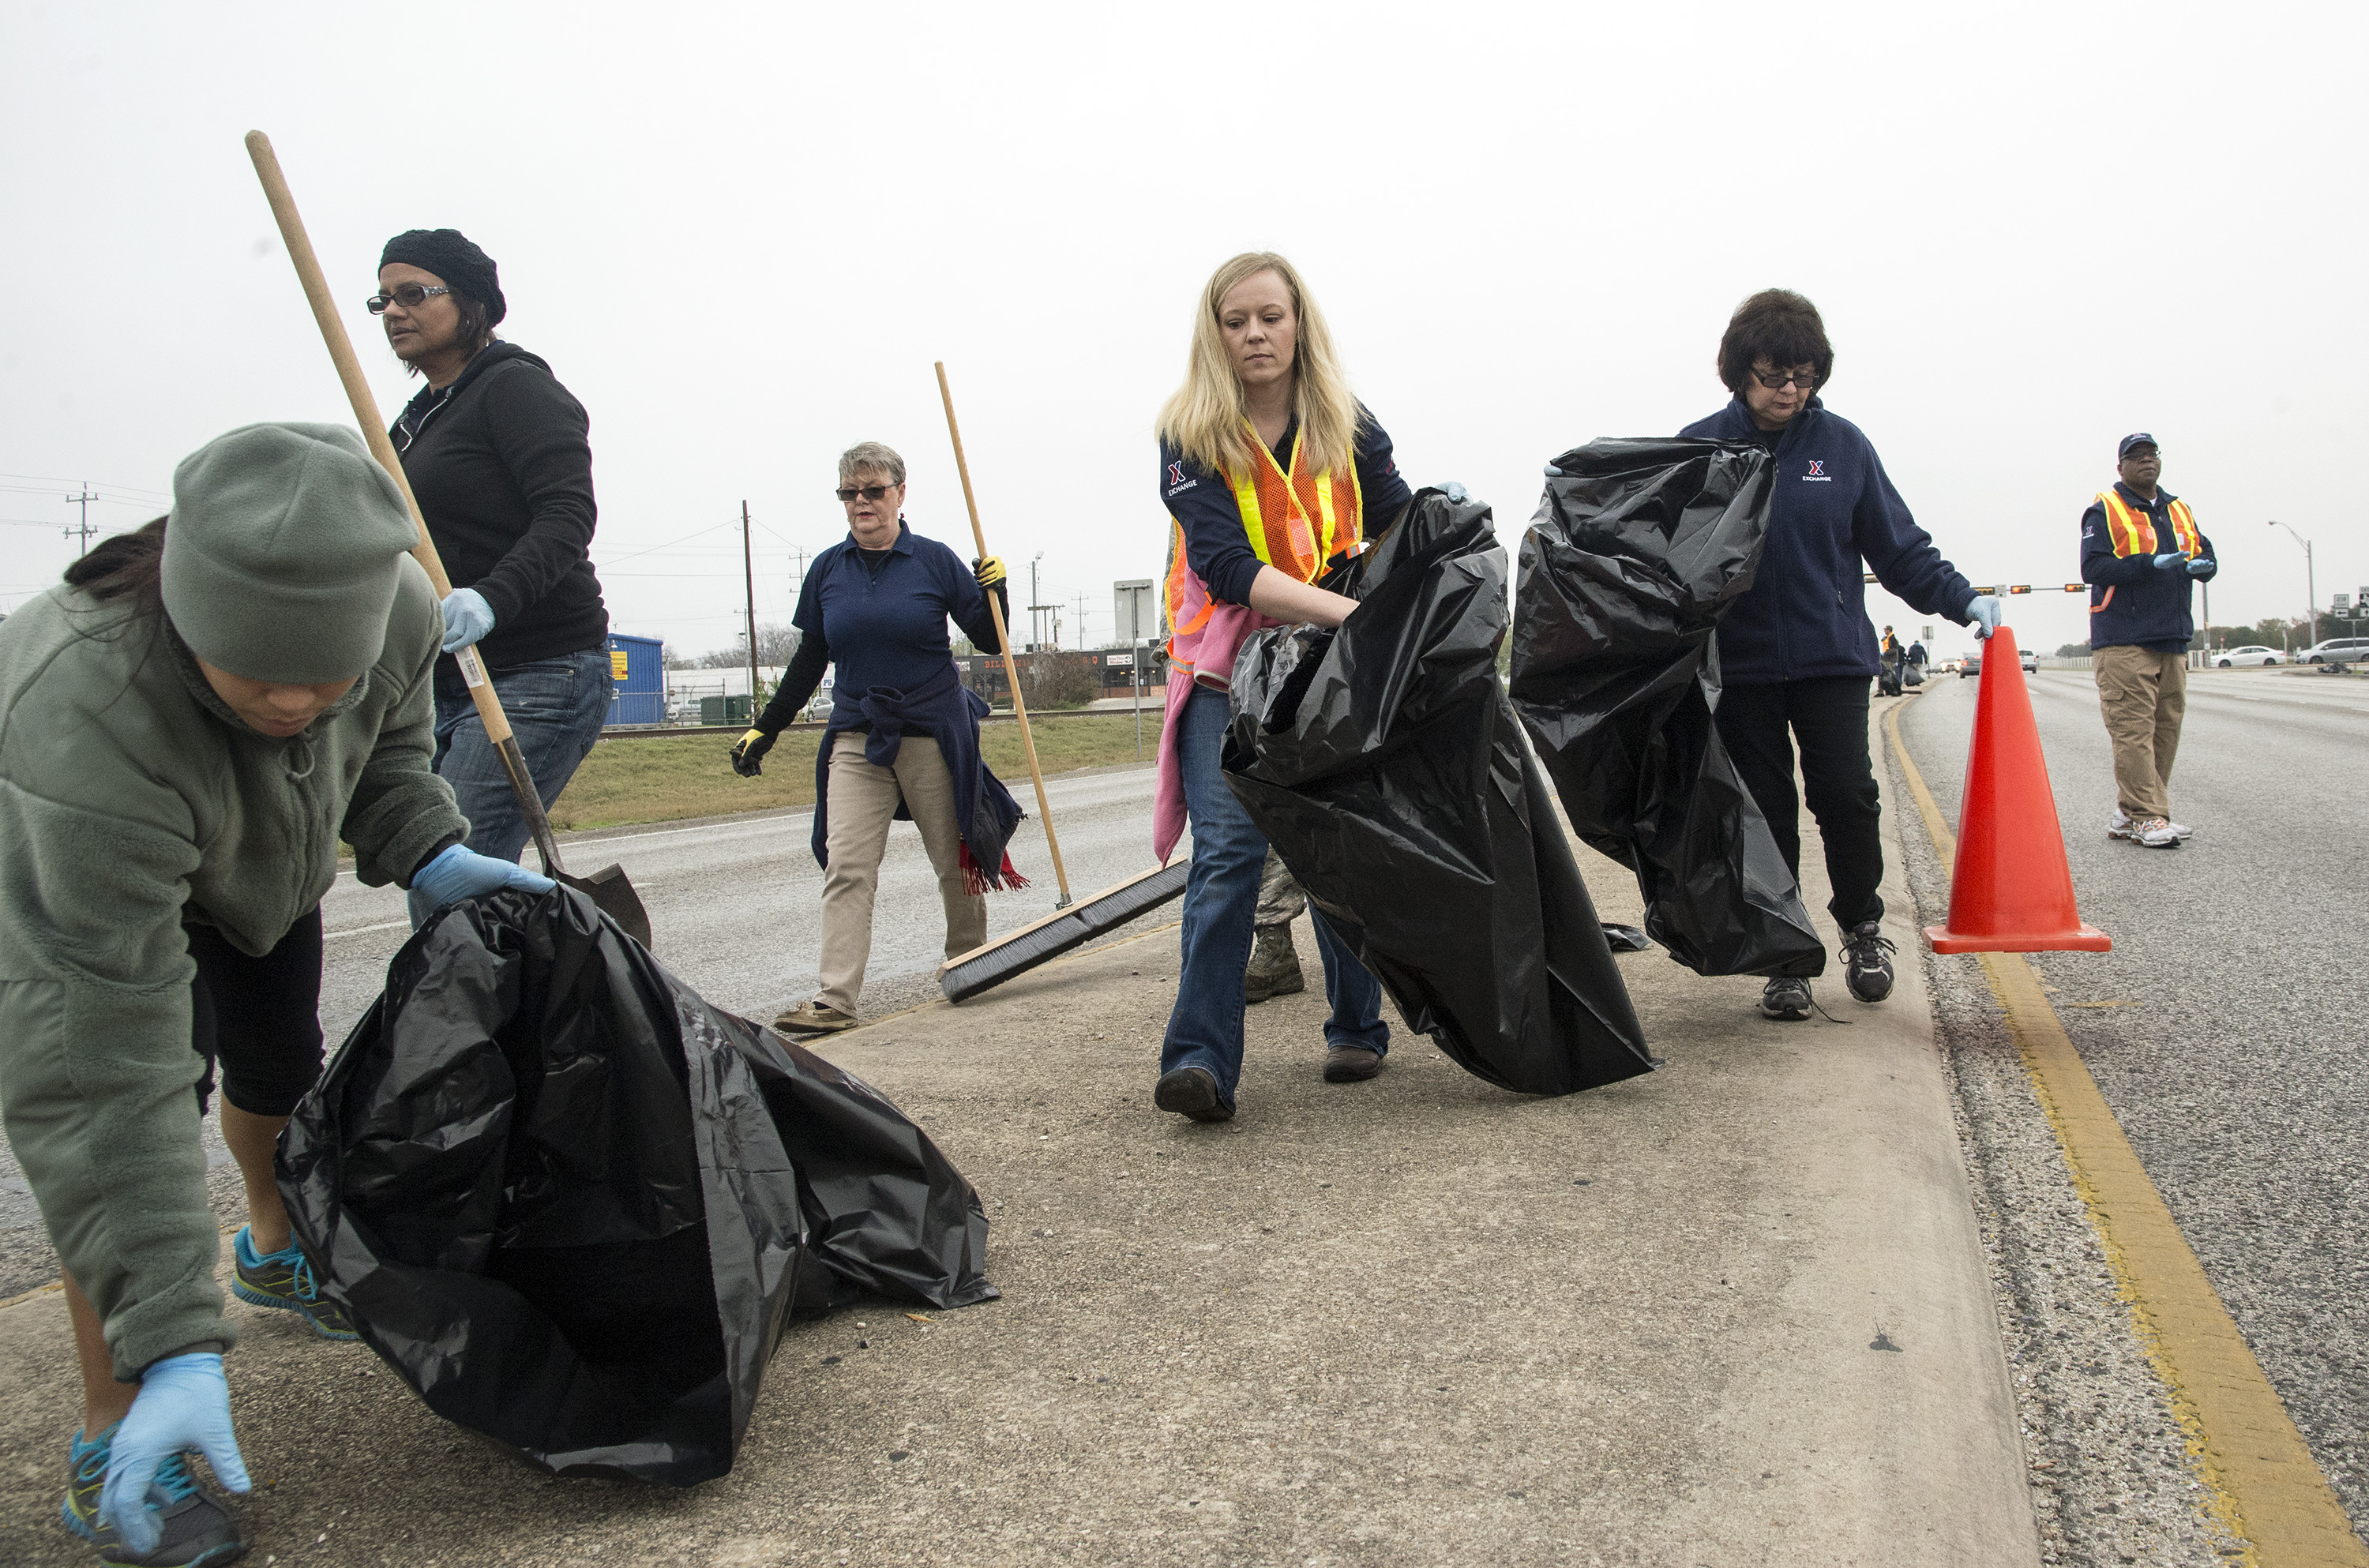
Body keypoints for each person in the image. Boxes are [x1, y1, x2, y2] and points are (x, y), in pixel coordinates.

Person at [0, 425, 551, 1566]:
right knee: (146, 1098)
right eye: (260, 679)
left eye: (325, 677)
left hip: (263, 861)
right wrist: (172, 1338)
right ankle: (119, 1428)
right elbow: (100, 1079)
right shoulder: (83, 705)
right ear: (196, 619)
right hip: (91, 863)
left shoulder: (396, 606)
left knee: (277, 1067)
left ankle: (271, 1244)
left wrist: (428, 845)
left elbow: (389, 750)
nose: (299, 698)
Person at [1680, 289, 2003, 1021]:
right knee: (1764, 814)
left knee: (1848, 798)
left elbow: (1900, 549)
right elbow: (1655, 554)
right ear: (1738, 373)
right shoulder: (1701, 448)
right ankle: (1787, 954)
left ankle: (1862, 928)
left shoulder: (1844, 447)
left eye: (1805, 376)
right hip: (1742, 670)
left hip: (1831, 661)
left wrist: (1962, 600)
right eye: (1774, 376)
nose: (1791, 391)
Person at [1150, 251, 1410, 1122]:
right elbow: (1225, 566)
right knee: (1226, 861)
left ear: (1300, 323)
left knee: (1331, 846)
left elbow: (1401, 522)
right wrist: (1349, 614)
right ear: (1213, 334)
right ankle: (1198, 1065)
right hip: (1226, 675)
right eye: (1236, 321)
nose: (1255, 334)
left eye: (1271, 316)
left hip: (1326, 676)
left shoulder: (1352, 424)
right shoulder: (1188, 435)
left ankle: (1357, 1030)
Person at [727, 442, 1020, 1033]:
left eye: (874, 490)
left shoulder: (934, 562)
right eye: (850, 493)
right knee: (847, 866)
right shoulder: (828, 570)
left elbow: (992, 641)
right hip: (857, 736)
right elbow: (811, 659)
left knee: (952, 859)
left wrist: (997, 589)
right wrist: (767, 727)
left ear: (900, 494)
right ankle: (836, 1000)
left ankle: (968, 961)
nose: (862, 502)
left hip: (932, 734)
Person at [373, 228, 612, 912]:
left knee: (457, 883)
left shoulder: (515, 389)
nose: (394, 311)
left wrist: (490, 598)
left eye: (413, 294)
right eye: (383, 299)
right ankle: (504, 1006)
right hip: (443, 679)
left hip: (540, 670)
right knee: (444, 875)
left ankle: (480, 1016)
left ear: (471, 301)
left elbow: (567, 514)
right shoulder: (415, 422)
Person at [2080, 433, 2215, 849]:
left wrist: (2205, 568)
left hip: (2172, 635)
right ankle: (2147, 817)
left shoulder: (2178, 509)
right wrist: (2150, 564)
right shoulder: (2105, 509)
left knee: (2165, 730)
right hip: (2124, 638)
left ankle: (2129, 812)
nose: (2146, 462)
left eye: (2151, 455)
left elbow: (2204, 552)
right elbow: (2093, 567)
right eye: (2136, 457)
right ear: (2121, 467)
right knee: (2133, 730)